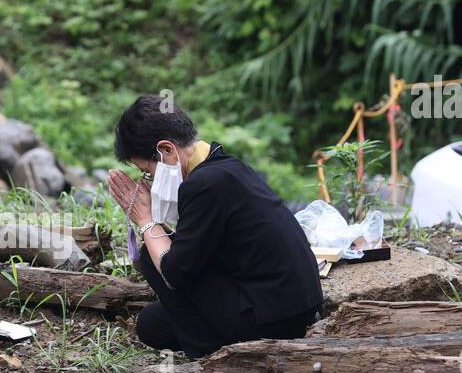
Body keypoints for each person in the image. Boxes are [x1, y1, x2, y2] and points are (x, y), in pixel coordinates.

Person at [107, 94, 323, 358]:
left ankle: (214, 356)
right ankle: (213, 339)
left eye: (148, 172)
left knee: (155, 260)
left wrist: (145, 220)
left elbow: (175, 272)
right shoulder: (226, 166)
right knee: (153, 324)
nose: (150, 180)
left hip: (272, 319)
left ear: (166, 150)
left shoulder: (204, 185)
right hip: (295, 306)